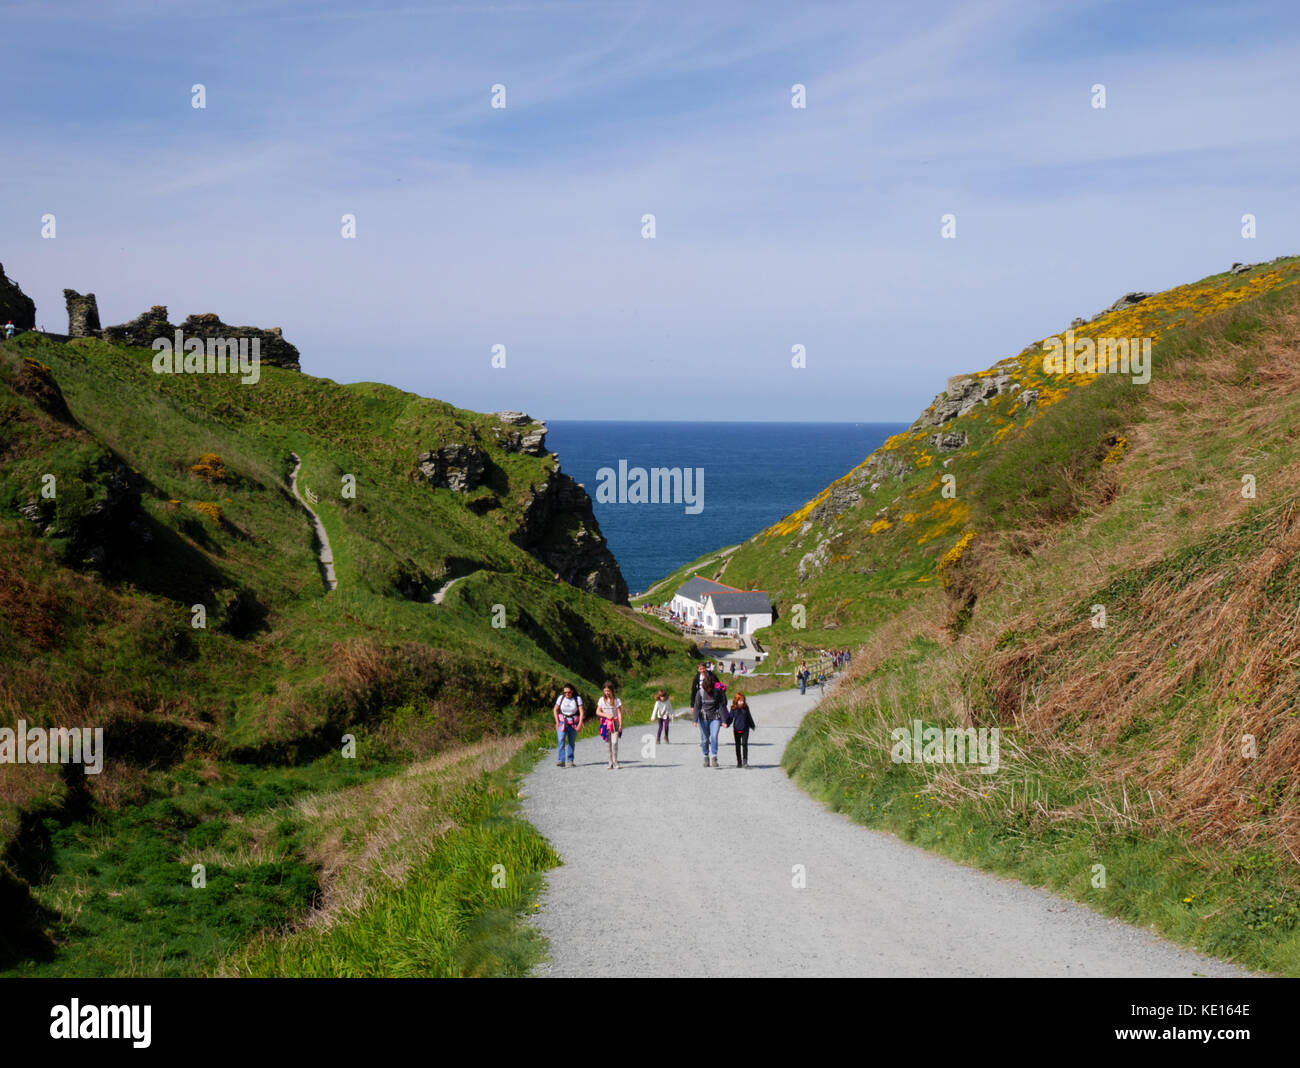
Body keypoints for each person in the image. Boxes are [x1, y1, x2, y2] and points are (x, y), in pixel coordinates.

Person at [691, 663, 725, 767]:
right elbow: (697, 706)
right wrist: (695, 720)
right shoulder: (700, 693)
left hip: (715, 718)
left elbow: (720, 706)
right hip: (703, 718)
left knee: (714, 737)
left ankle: (714, 757)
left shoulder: (717, 692)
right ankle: (706, 757)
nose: (709, 690)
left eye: (711, 688)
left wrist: (723, 721)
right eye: (708, 688)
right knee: (705, 739)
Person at [552, 683, 584, 768]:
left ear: (572, 691)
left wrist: (580, 724)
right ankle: (561, 760)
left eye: (568, 692)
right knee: (561, 739)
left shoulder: (577, 699)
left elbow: (581, 712)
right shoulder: (561, 698)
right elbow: (555, 709)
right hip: (562, 722)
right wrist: (557, 722)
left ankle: (570, 761)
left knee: (571, 742)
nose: (567, 694)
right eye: (565, 692)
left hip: (573, 723)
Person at [596, 682, 624, 769]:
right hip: (605, 723)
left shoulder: (617, 700)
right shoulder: (601, 700)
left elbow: (619, 713)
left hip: (615, 723)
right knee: (608, 743)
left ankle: (616, 761)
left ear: (612, 691)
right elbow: (597, 712)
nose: (607, 693)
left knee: (614, 742)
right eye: (605, 691)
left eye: (608, 691)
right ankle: (610, 762)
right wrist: (606, 716)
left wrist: (620, 724)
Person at [726, 694, 756, 768]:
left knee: (745, 744)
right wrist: (727, 724)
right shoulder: (733, 708)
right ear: (736, 701)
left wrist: (752, 725)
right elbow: (730, 718)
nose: (742, 702)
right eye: (740, 700)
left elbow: (749, 716)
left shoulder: (746, 708)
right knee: (738, 745)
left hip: (745, 728)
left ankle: (745, 761)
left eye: (743, 700)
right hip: (736, 729)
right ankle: (739, 762)